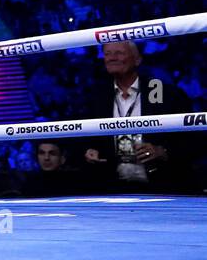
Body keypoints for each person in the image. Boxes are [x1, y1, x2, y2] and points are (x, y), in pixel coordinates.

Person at [83, 41, 199, 192]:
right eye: (107, 54)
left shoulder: (165, 92)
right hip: (113, 188)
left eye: (119, 53)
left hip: (162, 185)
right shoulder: (97, 95)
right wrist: (90, 151)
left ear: (137, 59)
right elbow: (84, 137)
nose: (112, 58)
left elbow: (194, 140)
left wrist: (162, 151)